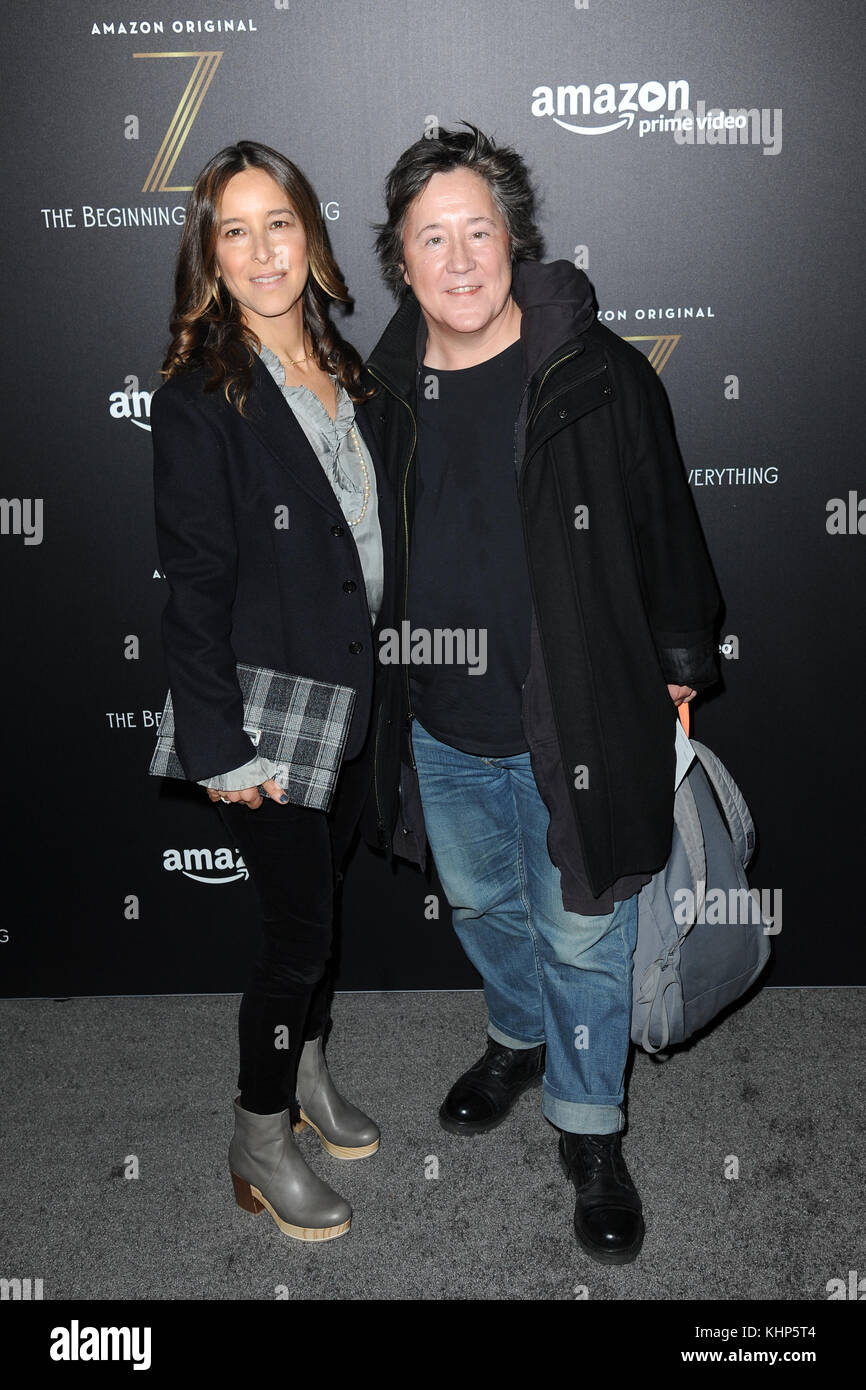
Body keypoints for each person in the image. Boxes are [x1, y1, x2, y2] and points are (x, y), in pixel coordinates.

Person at [362, 125, 722, 1264]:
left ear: (513, 240)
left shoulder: (594, 372)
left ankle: (588, 1124)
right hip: (436, 722)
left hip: (569, 713)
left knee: (583, 933)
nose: (459, 259)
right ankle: (515, 1036)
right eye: (432, 237)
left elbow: (666, 524)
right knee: (483, 907)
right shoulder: (380, 388)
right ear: (399, 259)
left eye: (479, 231)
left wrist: (677, 665)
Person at [150, 140, 395, 1241]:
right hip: (270, 720)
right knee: (296, 935)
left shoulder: (347, 367)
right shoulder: (202, 398)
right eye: (233, 230)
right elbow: (193, 584)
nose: (260, 250)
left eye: (278, 223)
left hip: (360, 698)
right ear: (209, 254)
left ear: (312, 236)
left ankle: (305, 1072)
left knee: (327, 917)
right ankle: (258, 1134)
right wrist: (220, 746)